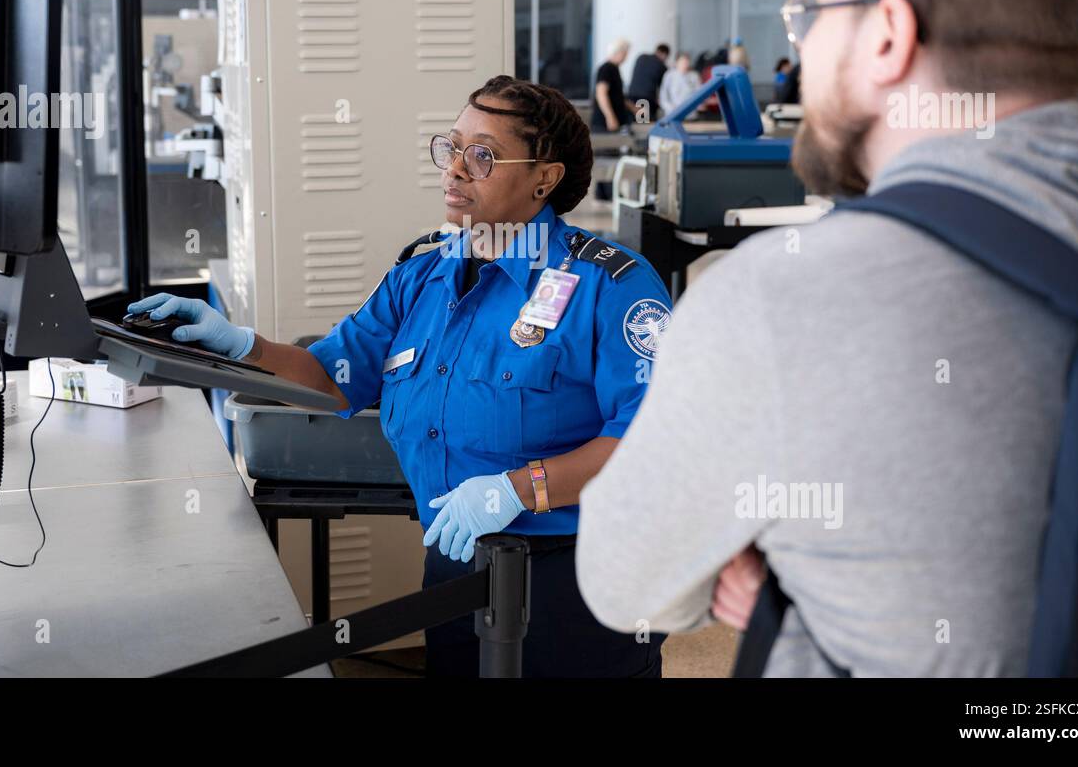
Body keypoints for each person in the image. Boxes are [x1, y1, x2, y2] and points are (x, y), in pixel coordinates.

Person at [576, 0, 1078, 676]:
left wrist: (785, 585)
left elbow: (623, 583)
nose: (802, 46)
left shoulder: (781, 300)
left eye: (814, 15)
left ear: (887, 34)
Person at [130, 75, 673, 678]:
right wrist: (238, 344)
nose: (457, 170)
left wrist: (519, 490)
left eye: (484, 155)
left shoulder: (611, 286)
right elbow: (334, 377)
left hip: (579, 579)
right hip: (456, 567)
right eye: (452, 147)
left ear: (544, 177)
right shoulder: (422, 275)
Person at [590, 38, 635, 133]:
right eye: (625, 53)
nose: (626, 57)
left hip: (616, 121)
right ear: (618, 52)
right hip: (604, 123)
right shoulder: (606, 68)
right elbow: (601, 94)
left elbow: (617, 95)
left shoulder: (615, 69)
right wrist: (610, 117)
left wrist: (634, 108)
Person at [627, 42, 669, 123]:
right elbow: (662, 87)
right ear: (664, 54)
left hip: (631, 96)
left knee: (635, 123)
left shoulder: (641, 57)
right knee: (644, 125)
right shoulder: (661, 66)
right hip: (646, 99)